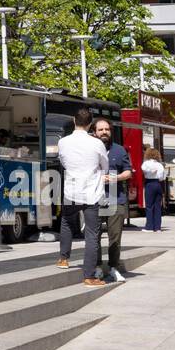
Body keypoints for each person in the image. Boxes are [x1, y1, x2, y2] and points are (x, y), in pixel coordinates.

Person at [56, 108, 109, 286]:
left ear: (73, 120)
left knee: (67, 223)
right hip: (91, 192)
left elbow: (63, 162)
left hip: (71, 189)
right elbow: (105, 166)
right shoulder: (97, 144)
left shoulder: (63, 142)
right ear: (91, 124)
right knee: (92, 234)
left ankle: (63, 258)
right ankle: (89, 275)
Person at [94, 116, 131, 282]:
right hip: (94, 198)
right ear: (94, 132)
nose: (104, 132)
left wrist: (115, 178)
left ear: (111, 131)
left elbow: (128, 172)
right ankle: (97, 267)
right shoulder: (90, 150)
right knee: (93, 236)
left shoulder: (119, 150)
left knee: (115, 237)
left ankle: (114, 268)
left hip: (116, 199)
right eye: (100, 129)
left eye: (106, 129)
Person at [142, 147, 166, 232]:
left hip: (149, 183)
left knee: (149, 206)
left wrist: (150, 172)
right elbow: (162, 177)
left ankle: (149, 227)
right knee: (157, 206)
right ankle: (157, 227)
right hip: (158, 184)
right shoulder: (160, 165)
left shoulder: (146, 163)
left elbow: (143, 169)